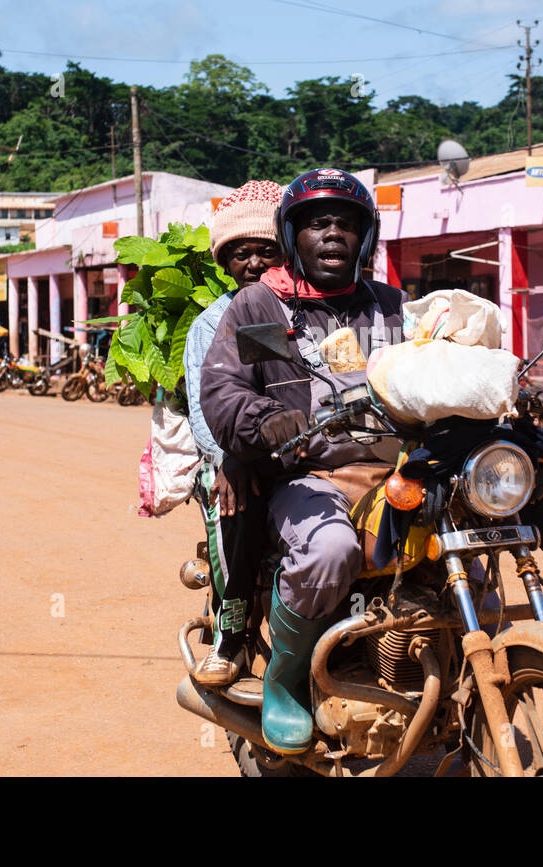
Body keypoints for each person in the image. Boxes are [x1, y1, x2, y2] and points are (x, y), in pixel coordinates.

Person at [202, 168, 405, 754]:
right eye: (318, 224)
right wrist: (264, 419)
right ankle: (285, 680)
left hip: (401, 472)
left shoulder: (392, 306)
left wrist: (509, 386)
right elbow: (222, 389)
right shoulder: (259, 306)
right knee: (330, 550)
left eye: (347, 224)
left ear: (365, 238)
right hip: (310, 475)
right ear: (293, 236)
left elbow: (446, 361)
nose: (333, 234)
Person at [183, 180, 284, 687]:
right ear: (226, 263)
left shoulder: (303, 313)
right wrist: (226, 458)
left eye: (266, 252)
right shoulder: (211, 322)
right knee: (236, 502)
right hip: (232, 454)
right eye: (242, 254)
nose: (254, 264)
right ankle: (232, 631)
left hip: (302, 449)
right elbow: (204, 407)